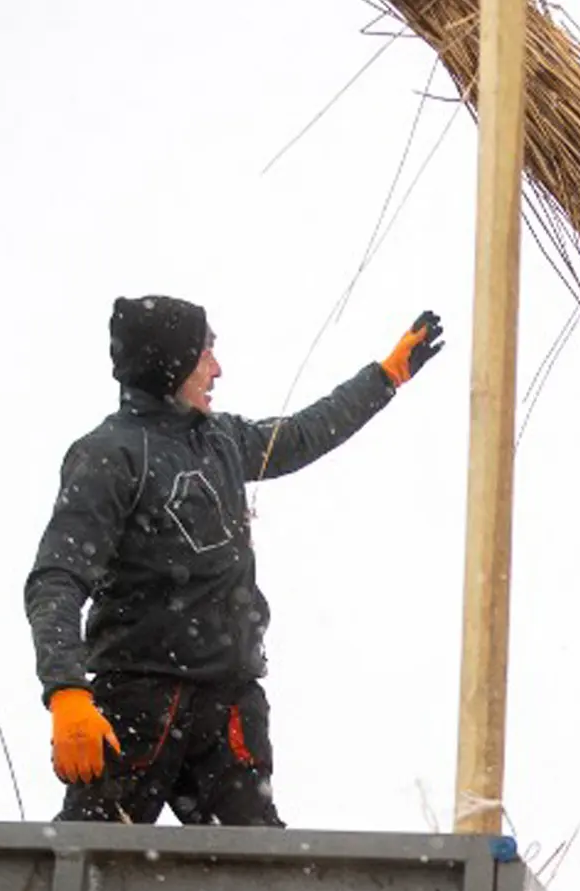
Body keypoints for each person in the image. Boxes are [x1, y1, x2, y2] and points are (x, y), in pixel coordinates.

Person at [25, 295, 444, 826]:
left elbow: (298, 436)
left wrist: (384, 378)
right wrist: (65, 690)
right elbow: (56, 578)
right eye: (206, 354)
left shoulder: (220, 440)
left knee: (259, 879)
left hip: (227, 707)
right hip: (135, 706)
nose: (217, 368)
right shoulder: (112, 454)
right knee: (86, 873)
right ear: (171, 363)